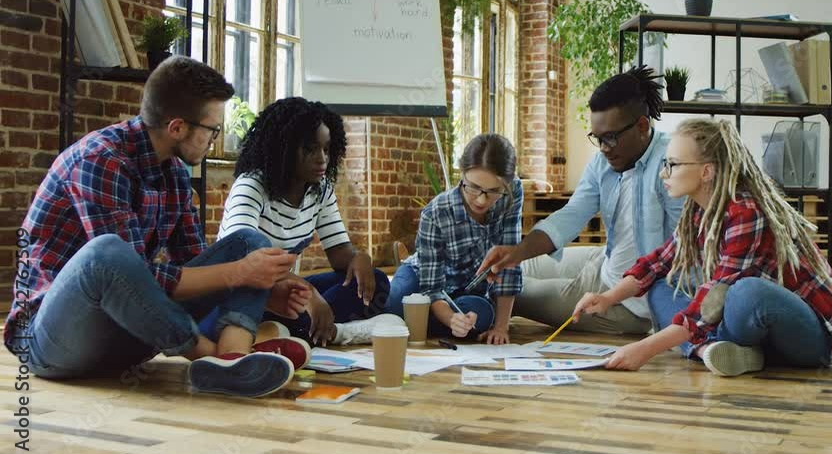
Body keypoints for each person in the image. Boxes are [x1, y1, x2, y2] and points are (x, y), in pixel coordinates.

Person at [5, 56, 310, 398]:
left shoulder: (175, 174)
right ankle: (207, 357)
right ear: (177, 127)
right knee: (105, 255)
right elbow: (129, 275)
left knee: (249, 243)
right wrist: (239, 274)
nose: (214, 140)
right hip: (54, 342)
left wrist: (262, 288)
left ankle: (231, 361)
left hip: (126, 335)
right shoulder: (101, 160)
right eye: (212, 129)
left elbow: (196, 266)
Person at [572, 118, 832, 376]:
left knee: (744, 293)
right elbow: (659, 261)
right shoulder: (700, 211)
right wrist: (608, 298)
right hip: (752, 332)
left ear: (707, 172)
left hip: (808, 339)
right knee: (662, 286)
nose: (664, 174)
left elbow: (714, 299)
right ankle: (712, 351)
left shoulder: (747, 211)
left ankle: (705, 345)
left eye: (672, 164)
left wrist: (645, 349)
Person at [479, 66, 685, 334]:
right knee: (513, 263)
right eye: (597, 139)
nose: (603, 149)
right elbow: (573, 214)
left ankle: (457, 309)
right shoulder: (604, 162)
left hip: (630, 302)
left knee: (507, 288)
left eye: (610, 138)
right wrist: (516, 253)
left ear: (642, 126)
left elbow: (680, 250)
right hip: (604, 262)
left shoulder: (673, 165)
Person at [217, 97, 404, 347]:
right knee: (294, 308)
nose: (322, 159)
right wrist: (311, 295)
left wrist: (359, 258)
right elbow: (247, 265)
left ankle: (297, 332)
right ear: (282, 148)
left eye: (326, 149)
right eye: (310, 149)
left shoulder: (320, 189)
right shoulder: (251, 187)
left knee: (376, 281)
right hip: (246, 292)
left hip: (287, 293)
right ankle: (335, 333)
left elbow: (339, 254)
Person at [387, 134, 522, 344]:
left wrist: (501, 327)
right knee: (396, 306)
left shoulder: (512, 192)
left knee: (482, 315)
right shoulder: (436, 212)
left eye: (494, 191)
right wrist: (451, 319)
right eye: (474, 187)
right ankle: (429, 320)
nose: (481, 199)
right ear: (462, 173)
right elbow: (431, 287)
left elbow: (510, 262)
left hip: (468, 285)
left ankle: (424, 322)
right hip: (422, 276)